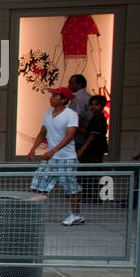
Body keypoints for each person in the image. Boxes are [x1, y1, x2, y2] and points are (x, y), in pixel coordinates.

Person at [29, 87, 84, 226]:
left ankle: (76, 214)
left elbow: (70, 135)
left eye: (55, 95)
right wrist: (33, 149)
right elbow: (42, 132)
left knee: (70, 187)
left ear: (64, 99)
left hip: (66, 158)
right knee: (37, 183)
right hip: (50, 158)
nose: (51, 97)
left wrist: (53, 151)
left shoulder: (70, 114)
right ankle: (35, 213)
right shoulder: (47, 113)